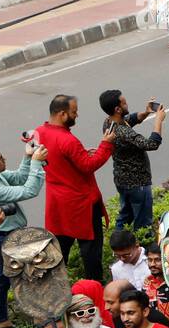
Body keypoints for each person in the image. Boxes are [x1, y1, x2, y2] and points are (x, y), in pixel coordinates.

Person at [34, 94, 116, 279]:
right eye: (74, 112)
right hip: (81, 204)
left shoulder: (39, 132)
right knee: (90, 252)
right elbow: (89, 165)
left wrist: (80, 153)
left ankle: (55, 290)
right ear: (62, 114)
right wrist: (106, 144)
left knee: (59, 252)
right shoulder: (67, 140)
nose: (76, 115)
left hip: (57, 203)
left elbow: (57, 157)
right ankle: (93, 290)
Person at [0, 139, 46, 328]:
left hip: (11, 233)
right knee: (11, 278)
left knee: (20, 275)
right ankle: (7, 320)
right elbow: (29, 190)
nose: (4, 160)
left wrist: (28, 158)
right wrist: (37, 162)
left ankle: (5, 319)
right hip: (4, 236)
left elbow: (19, 178)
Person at [100, 89, 164, 230]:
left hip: (122, 180)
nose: (127, 104)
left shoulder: (109, 122)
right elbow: (151, 144)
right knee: (143, 223)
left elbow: (130, 119)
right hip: (137, 183)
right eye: (124, 103)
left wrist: (146, 112)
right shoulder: (123, 132)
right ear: (117, 109)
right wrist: (158, 120)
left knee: (125, 217)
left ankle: (118, 245)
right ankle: (144, 247)